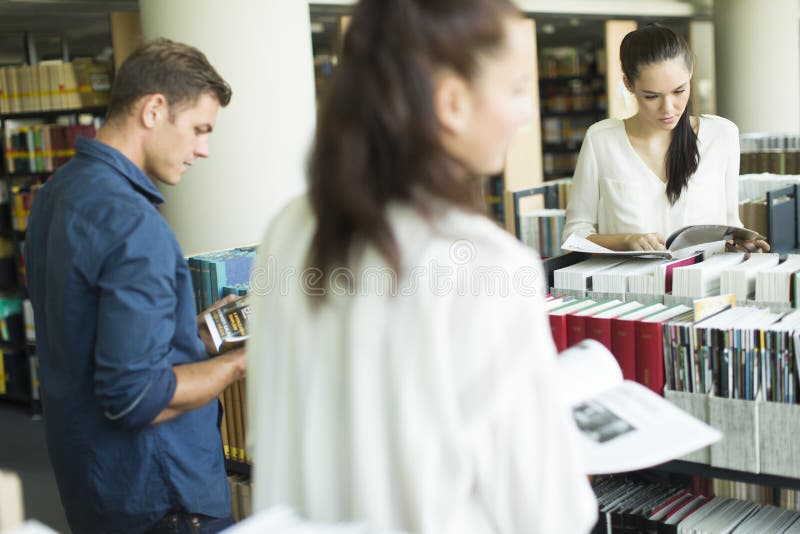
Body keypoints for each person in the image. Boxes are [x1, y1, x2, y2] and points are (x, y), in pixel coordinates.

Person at [246, 1, 597, 533]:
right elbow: (549, 514)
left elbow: (271, 435)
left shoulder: (287, 233)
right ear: (452, 102)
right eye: (517, 88)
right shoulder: (486, 266)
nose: (527, 113)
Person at [26, 39, 246, 534]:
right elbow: (136, 397)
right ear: (153, 110)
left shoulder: (54, 195)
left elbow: (91, 339)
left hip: (95, 485)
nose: (203, 150)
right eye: (199, 129)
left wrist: (195, 335)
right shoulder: (134, 225)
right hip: (163, 497)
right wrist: (240, 360)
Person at [563, 24, 770, 253]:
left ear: (690, 72)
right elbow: (574, 235)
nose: (668, 108)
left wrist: (742, 246)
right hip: (628, 286)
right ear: (629, 84)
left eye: (679, 91)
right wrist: (626, 240)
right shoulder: (601, 140)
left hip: (704, 285)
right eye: (651, 96)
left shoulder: (722, 135)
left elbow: (730, 227)